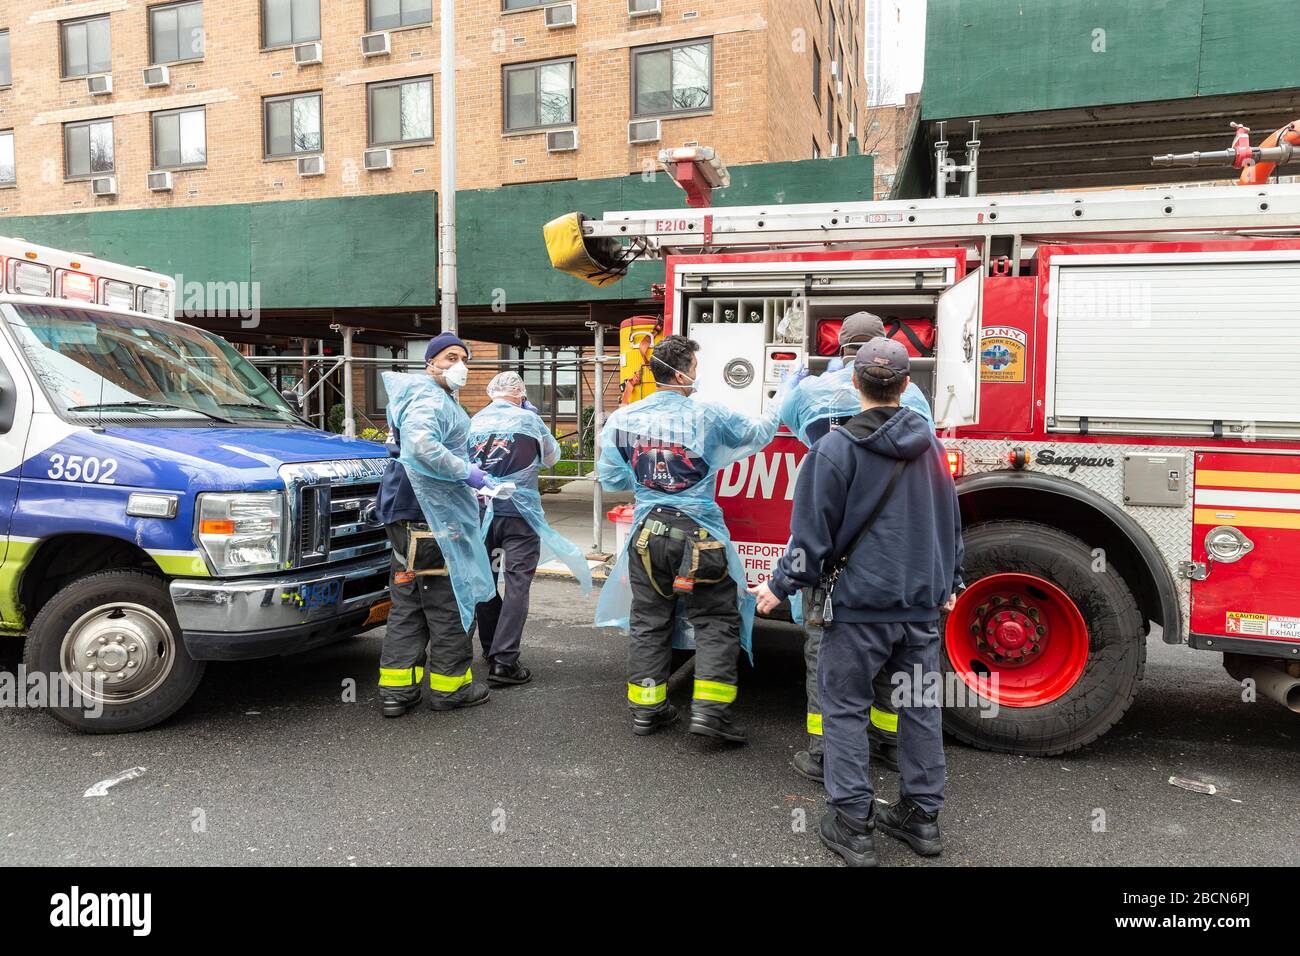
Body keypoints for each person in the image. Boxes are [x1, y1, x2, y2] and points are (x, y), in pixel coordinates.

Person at [753, 338, 964, 868]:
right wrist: (951, 582)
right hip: (920, 610)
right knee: (919, 709)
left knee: (845, 709)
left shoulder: (835, 449)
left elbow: (811, 539)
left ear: (854, 383)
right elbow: (950, 525)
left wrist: (777, 587)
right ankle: (921, 819)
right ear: (907, 384)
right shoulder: (934, 448)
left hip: (858, 610)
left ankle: (853, 824)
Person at [595, 334, 786, 742]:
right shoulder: (708, 415)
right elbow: (760, 433)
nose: (697, 375)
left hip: (647, 533)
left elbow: (611, 479)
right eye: (696, 367)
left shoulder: (622, 419)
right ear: (684, 372)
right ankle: (709, 717)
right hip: (699, 535)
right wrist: (783, 391)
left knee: (649, 620)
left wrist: (650, 479)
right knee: (716, 619)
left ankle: (647, 711)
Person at [779, 311, 934, 784]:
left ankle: (826, 752)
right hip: (896, 542)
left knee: (824, 649)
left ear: (839, 345)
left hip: (832, 538)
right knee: (895, 651)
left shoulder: (808, 393)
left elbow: (785, 425)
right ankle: (888, 742)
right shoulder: (914, 398)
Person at [374, 334, 498, 718]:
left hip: (404, 514)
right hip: (430, 516)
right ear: (430, 362)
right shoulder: (429, 397)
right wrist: (470, 473)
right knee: (447, 600)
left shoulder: (421, 395)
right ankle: (450, 688)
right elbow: (423, 447)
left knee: (408, 601)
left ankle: (397, 691)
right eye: (449, 357)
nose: (459, 364)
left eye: (464, 358)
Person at [468, 372, 593, 687]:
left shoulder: (473, 422)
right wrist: (532, 421)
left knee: (485, 580)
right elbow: (553, 458)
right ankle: (504, 660)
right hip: (520, 515)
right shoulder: (529, 422)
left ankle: (490, 649)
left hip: (481, 513)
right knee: (518, 584)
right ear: (520, 394)